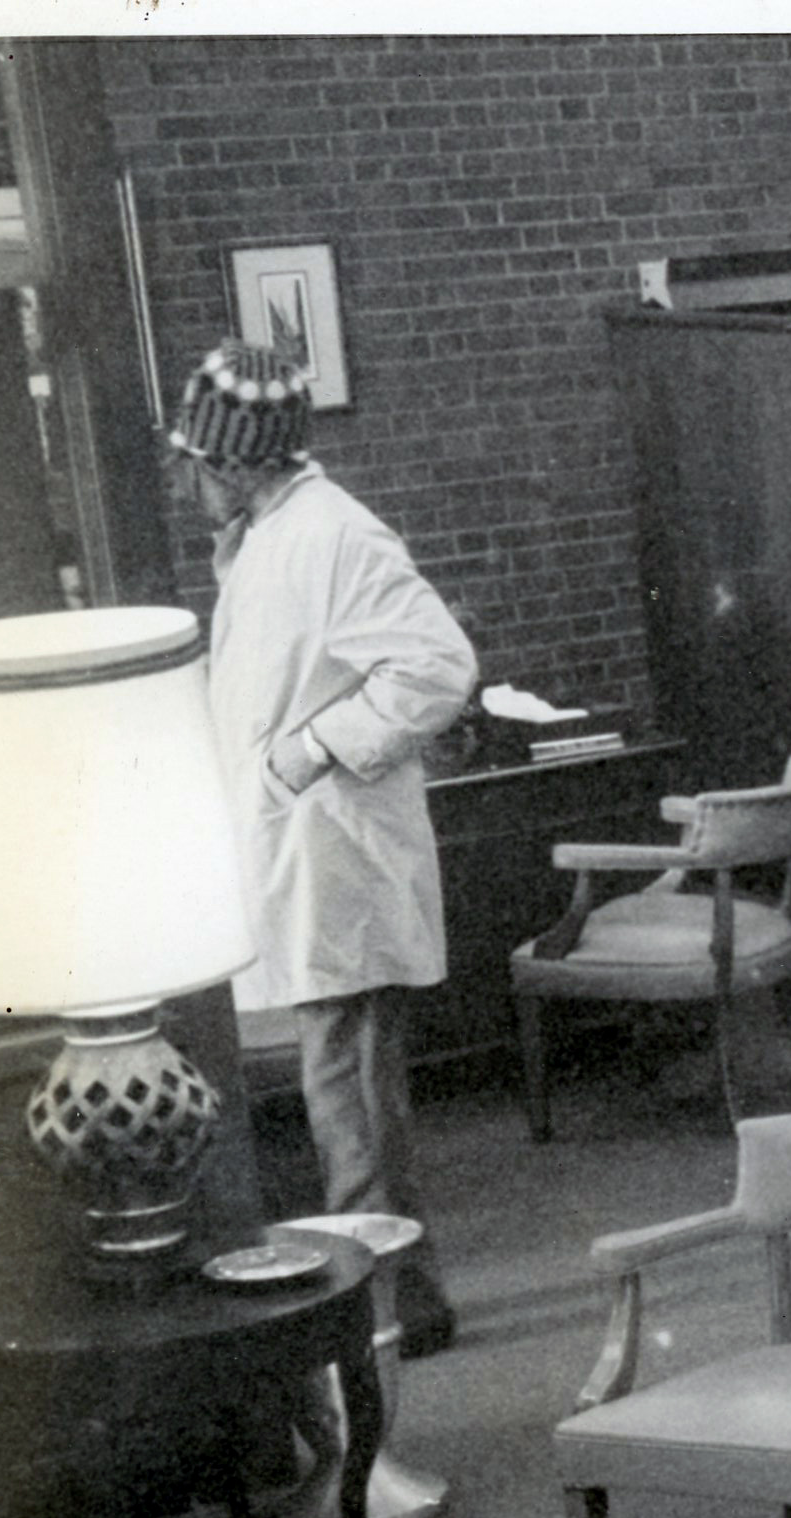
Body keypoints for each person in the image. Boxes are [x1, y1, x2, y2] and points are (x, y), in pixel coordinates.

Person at [165, 341, 477, 1355]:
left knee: (352, 1104)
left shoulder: (337, 536)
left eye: (196, 466)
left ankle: (389, 1312)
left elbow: (436, 668)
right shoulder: (272, 536)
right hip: (309, 859)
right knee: (343, 1097)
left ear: (238, 461)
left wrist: (305, 753)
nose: (186, 484)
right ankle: (402, 1301)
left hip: (340, 862)